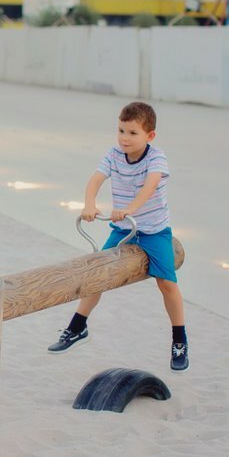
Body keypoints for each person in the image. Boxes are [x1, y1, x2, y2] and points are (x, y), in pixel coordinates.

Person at [47, 101, 189, 372]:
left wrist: (128, 210)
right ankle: (77, 327)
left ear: (149, 136)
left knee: (167, 283)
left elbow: (149, 187)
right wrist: (90, 204)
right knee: (97, 274)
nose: (125, 138)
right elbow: (95, 180)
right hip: (124, 230)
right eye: (121, 131)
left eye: (133, 133)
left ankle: (179, 340)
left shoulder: (156, 158)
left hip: (153, 230)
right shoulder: (113, 154)